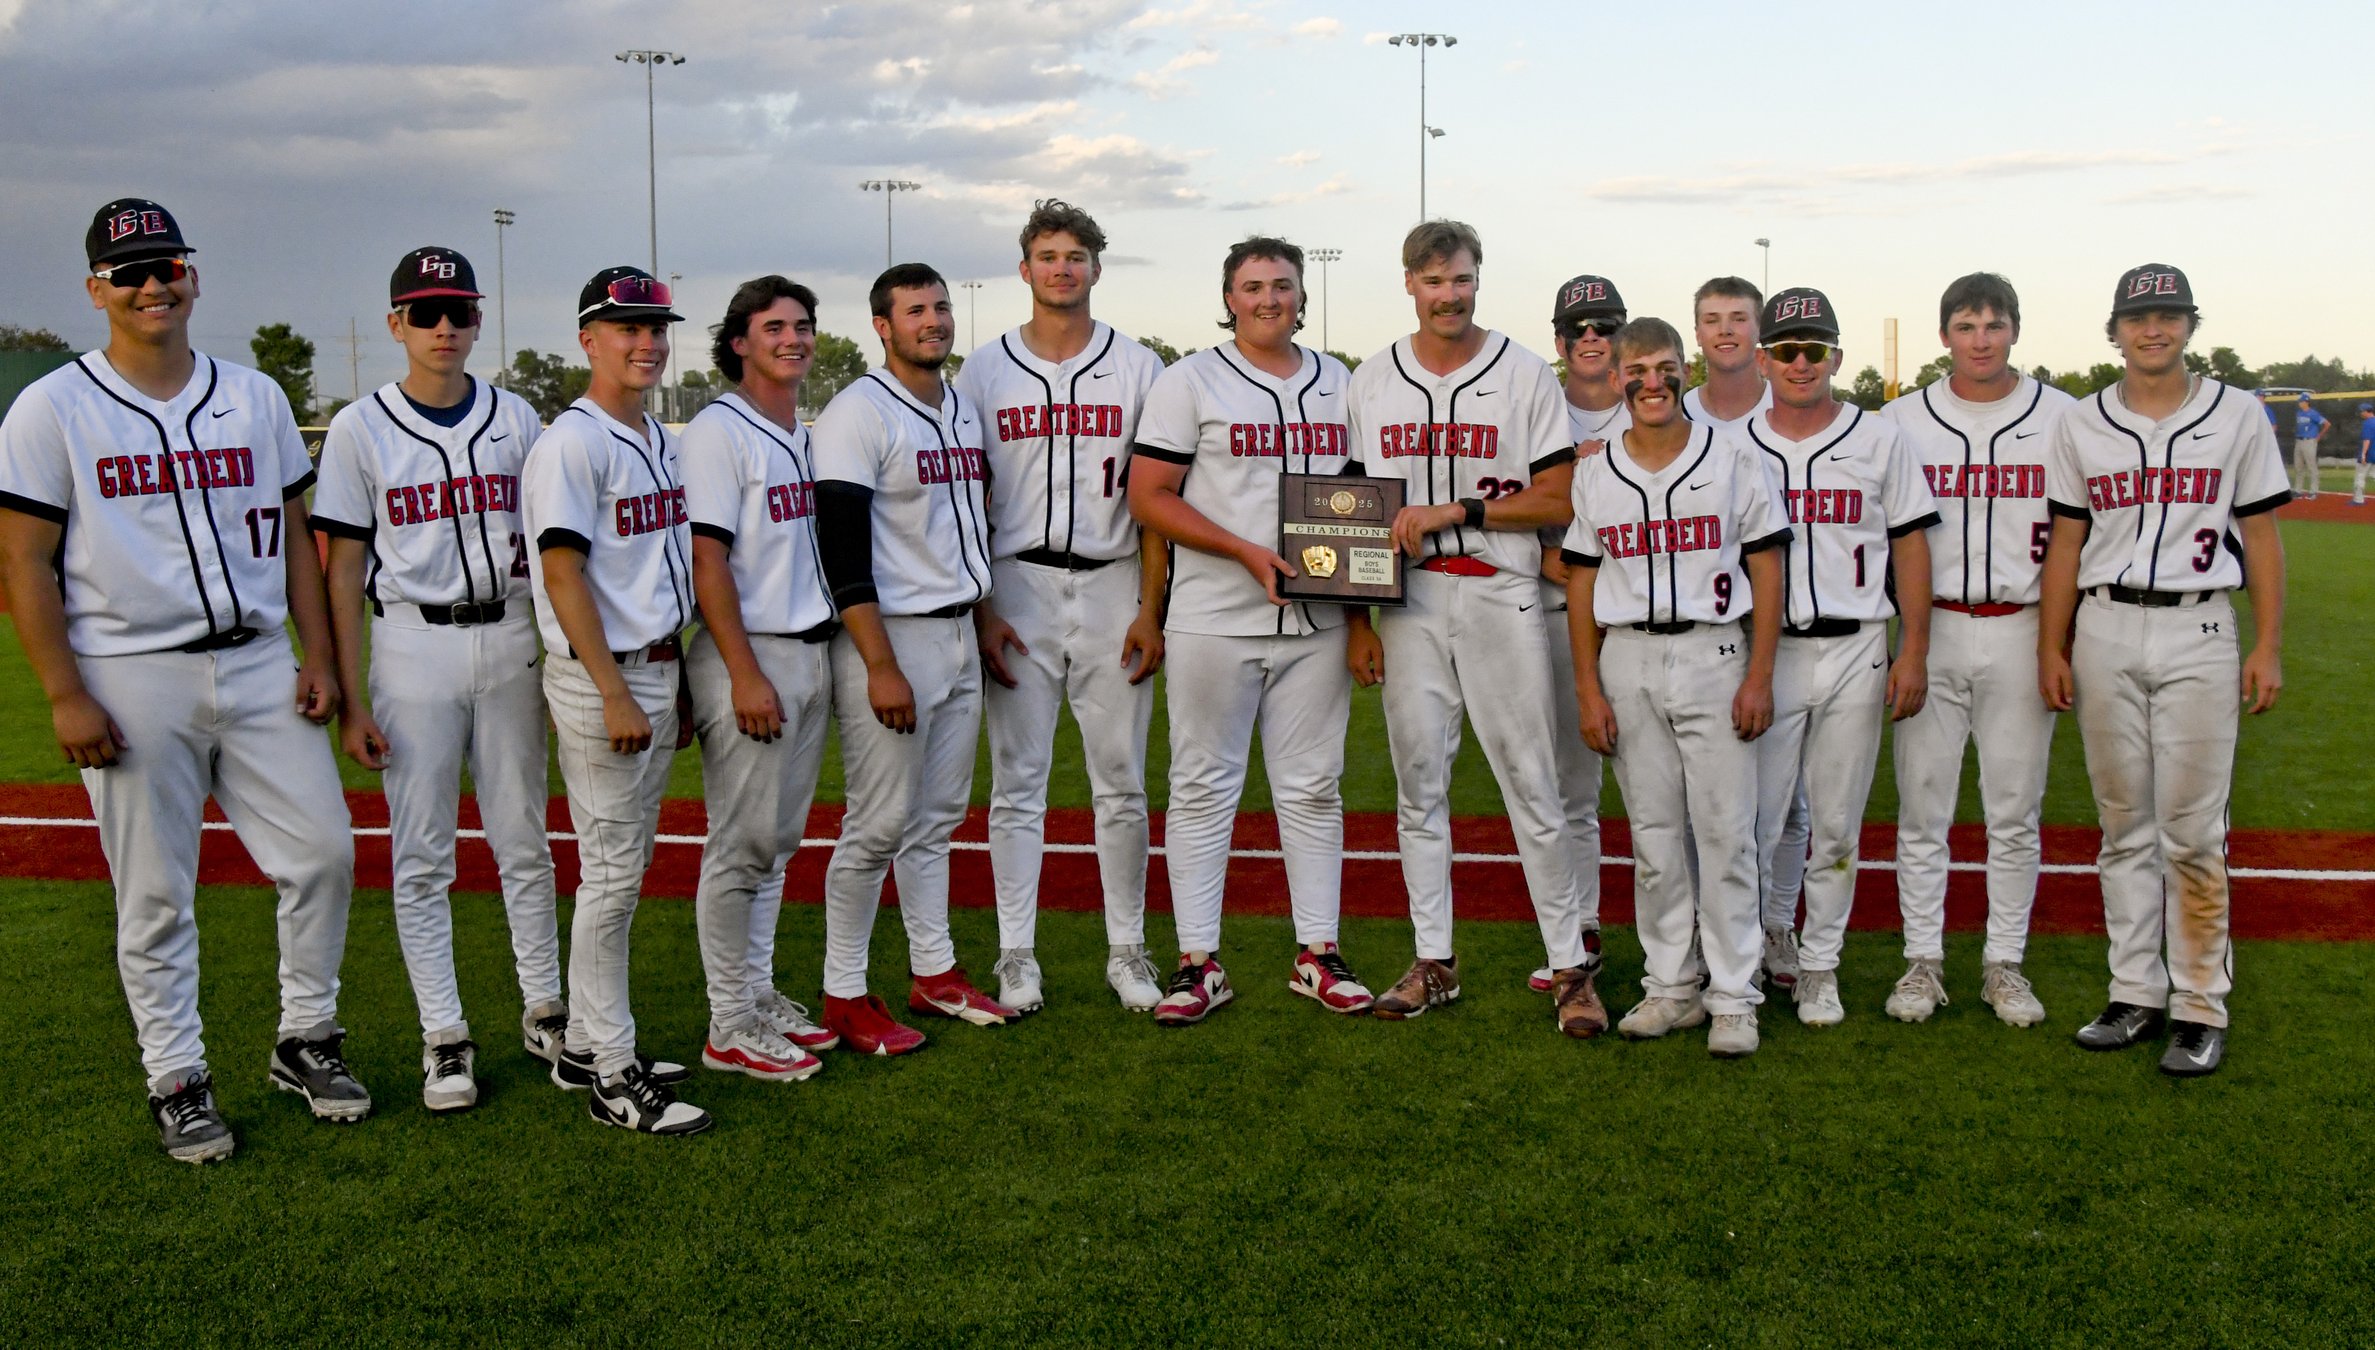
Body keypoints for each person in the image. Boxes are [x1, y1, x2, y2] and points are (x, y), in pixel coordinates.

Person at [0, 198, 364, 1162]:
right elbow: (24, 560)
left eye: (166, 264)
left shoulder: (253, 397)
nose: (152, 282)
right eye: (129, 271)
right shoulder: (53, 407)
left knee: (324, 852)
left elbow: (295, 537)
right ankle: (178, 1075)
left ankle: (306, 1037)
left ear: (193, 275)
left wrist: (319, 654)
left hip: (256, 660)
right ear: (97, 291)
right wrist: (66, 692)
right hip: (130, 671)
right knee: (156, 892)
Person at [312, 246, 559, 1112]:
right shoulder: (358, 427)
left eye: (458, 309)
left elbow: (551, 550)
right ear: (396, 325)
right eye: (425, 312)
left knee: (523, 838)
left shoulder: (517, 417)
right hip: (413, 645)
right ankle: (443, 1036)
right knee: (423, 855)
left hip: (513, 635)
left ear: (479, 319)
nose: (444, 326)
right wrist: (346, 693)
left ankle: (545, 1008)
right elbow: (341, 569)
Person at [1342, 220, 1598, 1034]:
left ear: (1476, 280)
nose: (1447, 294)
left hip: (1499, 593)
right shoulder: (1372, 379)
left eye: (1459, 278)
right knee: (1419, 789)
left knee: (1534, 785)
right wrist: (1358, 622)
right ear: (1408, 286)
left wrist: (1461, 508)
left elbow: (1557, 499)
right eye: (1431, 280)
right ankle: (1433, 960)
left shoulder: (1521, 370)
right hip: (1408, 605)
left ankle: (1568, 968)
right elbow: (1350, 510)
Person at [2039, 263, 2289, 1077]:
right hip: (2105, 623)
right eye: (2138, 317)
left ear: (2189, 324)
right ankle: (2132, 992)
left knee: (2190, 830)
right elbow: (2066, 541)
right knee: (2122, 826)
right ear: (2112, 329)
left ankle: (2198, 1006)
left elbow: (2260, 537)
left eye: (2168, 315)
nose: (2154, 329)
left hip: (2198, 626)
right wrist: (2052, 643)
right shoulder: (2082, 423)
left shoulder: (2237, 413)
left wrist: (2266, 644)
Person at [1126, 236, 1375, 1025]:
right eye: (1252, 286)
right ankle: (1198, 961)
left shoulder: (1339, 382)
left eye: (1282, 285)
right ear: (1228, 297)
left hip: (1318, 622)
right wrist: (1238, 549)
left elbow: (1359, 505)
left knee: (1312, 789)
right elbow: (1148, 497)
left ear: (1303, 296)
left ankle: (1318, 953)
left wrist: (1362, 619)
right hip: (1211, 618)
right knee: (1202, 789)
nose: (1269, 298)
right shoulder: (1188, 379)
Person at [954, 200, 1169, 1014]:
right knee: (1017, 781)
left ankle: (1127, 949)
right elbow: (962, 496)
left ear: (1095, 268)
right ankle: (1016, 953)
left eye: (1075, 255)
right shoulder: (984, 369)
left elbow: (1153, 503)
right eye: (1047, 254)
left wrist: (1151, 607)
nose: (1061, 268)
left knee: (1119, 779)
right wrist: (980, 606)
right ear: (1024, 268)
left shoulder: (1139, 365)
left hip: (1114, 581)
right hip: (1016, 584)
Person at [1563, 317, 1790, 1058]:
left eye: (1664, 367)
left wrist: (1759, 672)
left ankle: (1733, 994)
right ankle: (1670, 985)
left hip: (1713, 651)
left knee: (1725, 833)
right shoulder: (1596, 470)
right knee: (1656, 839)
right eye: (1637, 369)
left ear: (1685, 371)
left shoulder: (1730, 458)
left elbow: (1765, 565)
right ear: (1616, 376)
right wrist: (1586, 688)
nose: (1650, 381)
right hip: (1627, 657)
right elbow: (1580, 580)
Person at [521, 265, 705, 1134]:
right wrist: (609, 688)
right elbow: (561, 573)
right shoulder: (574, 441)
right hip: (609, 676)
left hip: (654, 666)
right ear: (588, 339)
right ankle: (614, 1076)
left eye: (655, 328)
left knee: (618, 871)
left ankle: (591, 1044)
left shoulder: (657, 435)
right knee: (613, 878)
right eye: (626, 328)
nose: (646, 342)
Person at [813, 263, 1014, 1055]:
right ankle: (844, 992)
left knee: (935, 819)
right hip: (893, 634)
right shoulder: (856, 411)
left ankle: (933, 972)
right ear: (882, 327)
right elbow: (840, 546)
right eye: (914, 311)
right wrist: (878, 662)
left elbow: (967, 526)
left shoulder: (957, 403)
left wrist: (986, 613)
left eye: (938, 307)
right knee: (877, 824)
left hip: (958, 629)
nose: (932, 320)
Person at [1876, 273, 2075, 1027]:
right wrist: (1905, 645)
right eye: (1966, 325)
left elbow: (2075, 538)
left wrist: (2059, 642)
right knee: (1922, 809)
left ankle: (2003, 962)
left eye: (1994, 324)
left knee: (2013, 812)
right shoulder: (1899, 420)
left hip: (2023, 628)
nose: (1981, 338)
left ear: (2015, 330)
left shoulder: (2063, 417)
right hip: (1932, 631)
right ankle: (1921, 960)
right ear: (1944, 336)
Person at [1742, 287, 1939, 1027]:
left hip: (1856, 644)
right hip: (1768, 653)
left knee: (1835, 823)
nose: (1800, 363)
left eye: (1813, 349)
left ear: (1836, 358)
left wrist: (1911, 650)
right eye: (1786, 349)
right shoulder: (1734, 443)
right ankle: (1759, 941)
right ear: (1762, 360)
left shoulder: (1878, 437)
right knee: (1755, 822)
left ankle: (1820, 964)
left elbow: (1910, 545)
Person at [679, 276, 845, 1082]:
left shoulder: (801, 430)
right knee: (740, 846)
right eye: (773, 326)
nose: (793, 338)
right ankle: (727, 1023)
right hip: (750, 655)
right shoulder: (719, 429)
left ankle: (756, 991)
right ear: (738, 341)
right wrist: (742, 672)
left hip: (805, 648)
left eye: (803, 325)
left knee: (775, 845)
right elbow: (706, 558)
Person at [1680, 275, 1805, 988]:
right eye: (1711, 319)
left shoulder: (1787, 404)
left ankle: (1778, 926)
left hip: (1783, 625)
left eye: (1738, 318)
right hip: (1703, 629)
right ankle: (1710, 932)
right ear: (1694, 331)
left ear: (1758, 333)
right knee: (1707, 803)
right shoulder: (1673, 413)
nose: (1725, 330)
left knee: (1787, 800)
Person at [1529, 273, 1628, 995]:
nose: (1590, 338)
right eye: (1577, 329)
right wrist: (1541, 549)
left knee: (1673, 791)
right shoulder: (1536, 408)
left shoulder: (1657, 407)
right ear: (1558, 342)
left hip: (1640, 616)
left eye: (1604, 327)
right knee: (1571, 784)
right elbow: (1520, 502)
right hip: (1559, 611)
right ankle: (1582, 927)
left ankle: (1689, 934)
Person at [2293, 394, 2329, 499]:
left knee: (2311, 466)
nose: (2299, 403)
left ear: (2306, 402)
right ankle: (2298, 490)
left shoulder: (2313, 413)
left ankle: (2314, 491)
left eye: (2301, 401)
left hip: (2309, 441)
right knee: (2298, 467)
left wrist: (2318, 437)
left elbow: (2327, 424)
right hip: (2299, 441)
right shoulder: (2299, 413)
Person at [2355, 402, 2373, 506]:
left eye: (2362, 411)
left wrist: (2363, 454)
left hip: (2368, 454)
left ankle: (2358, 500)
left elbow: (2367, 440)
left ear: (2366, 411)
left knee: (2360, 477)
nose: (2361, 413)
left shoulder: (2367, 423)